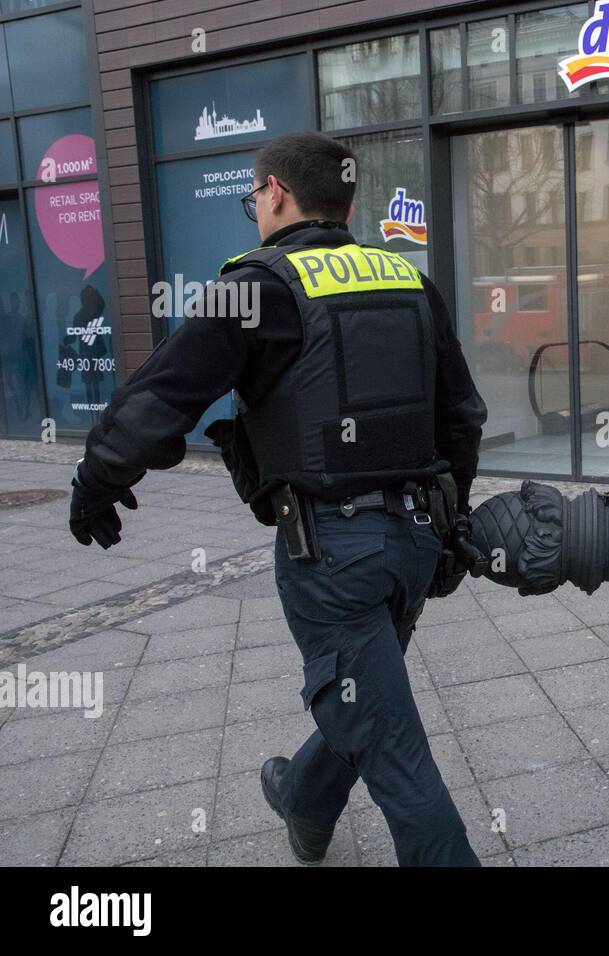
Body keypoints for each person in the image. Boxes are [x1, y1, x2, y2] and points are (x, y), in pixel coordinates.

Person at [68, 131, 487, 867]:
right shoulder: (407, 281)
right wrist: (449, 527)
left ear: (274, 194)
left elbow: (159, 398)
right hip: (415, 540)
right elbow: (461, 417)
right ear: (348, 203)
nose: (255, 207)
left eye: (253, 196)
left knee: (393, 747)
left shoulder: (255, 287)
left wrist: (95, 482)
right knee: (366, 693)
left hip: (333, 556)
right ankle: (305, 800)